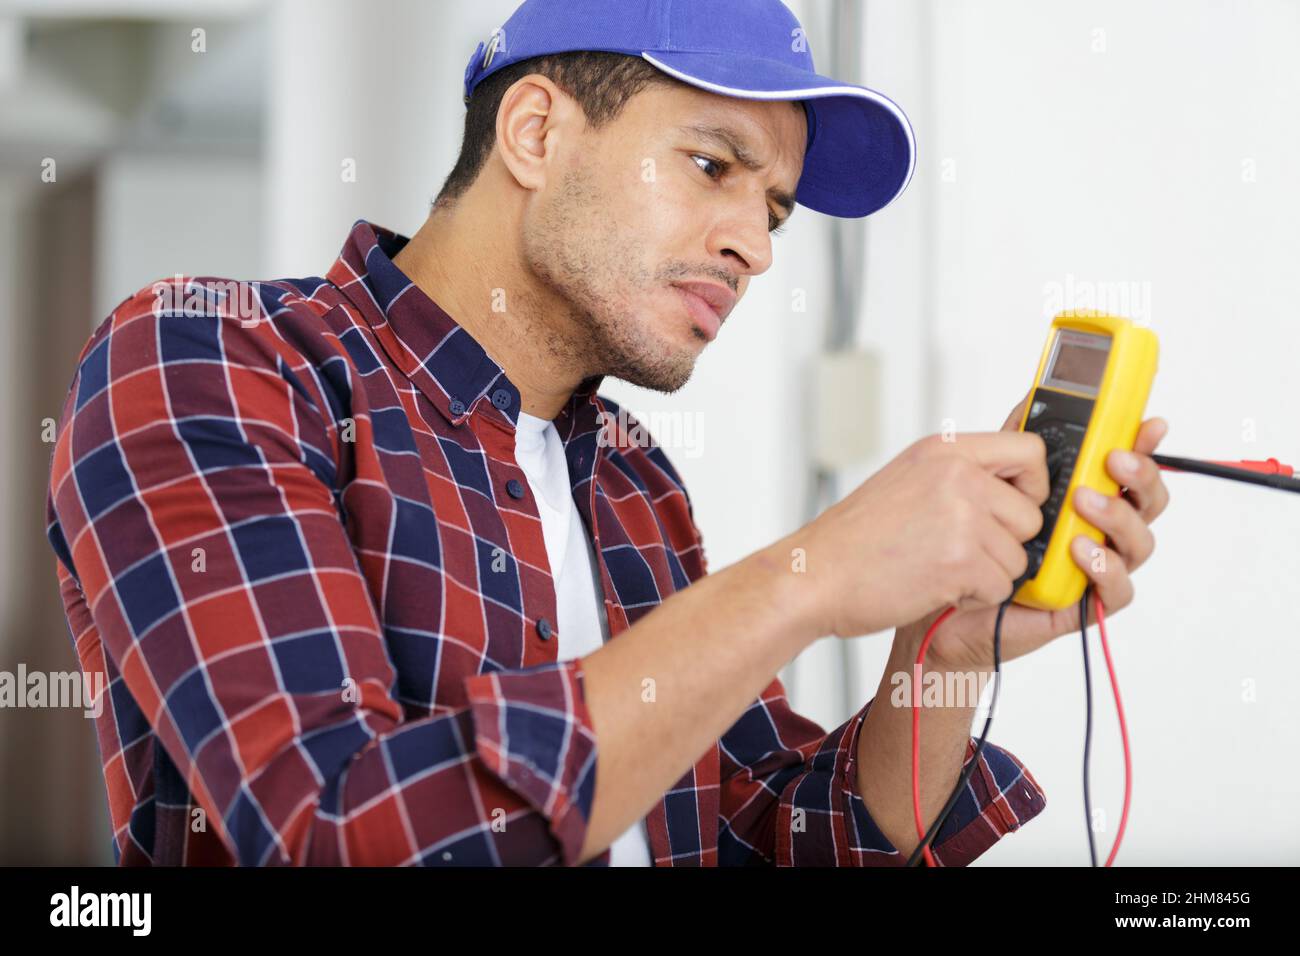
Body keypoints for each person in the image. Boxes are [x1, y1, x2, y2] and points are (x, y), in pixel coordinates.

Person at [44, 0, 1169, 867]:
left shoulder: (631, 474)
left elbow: (776, 835)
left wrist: (944, 651)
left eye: (771, 208)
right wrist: (808, 572)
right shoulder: (213, 359)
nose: (756, 246)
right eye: (713, 164)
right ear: (535, 131)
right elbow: (332, 827)